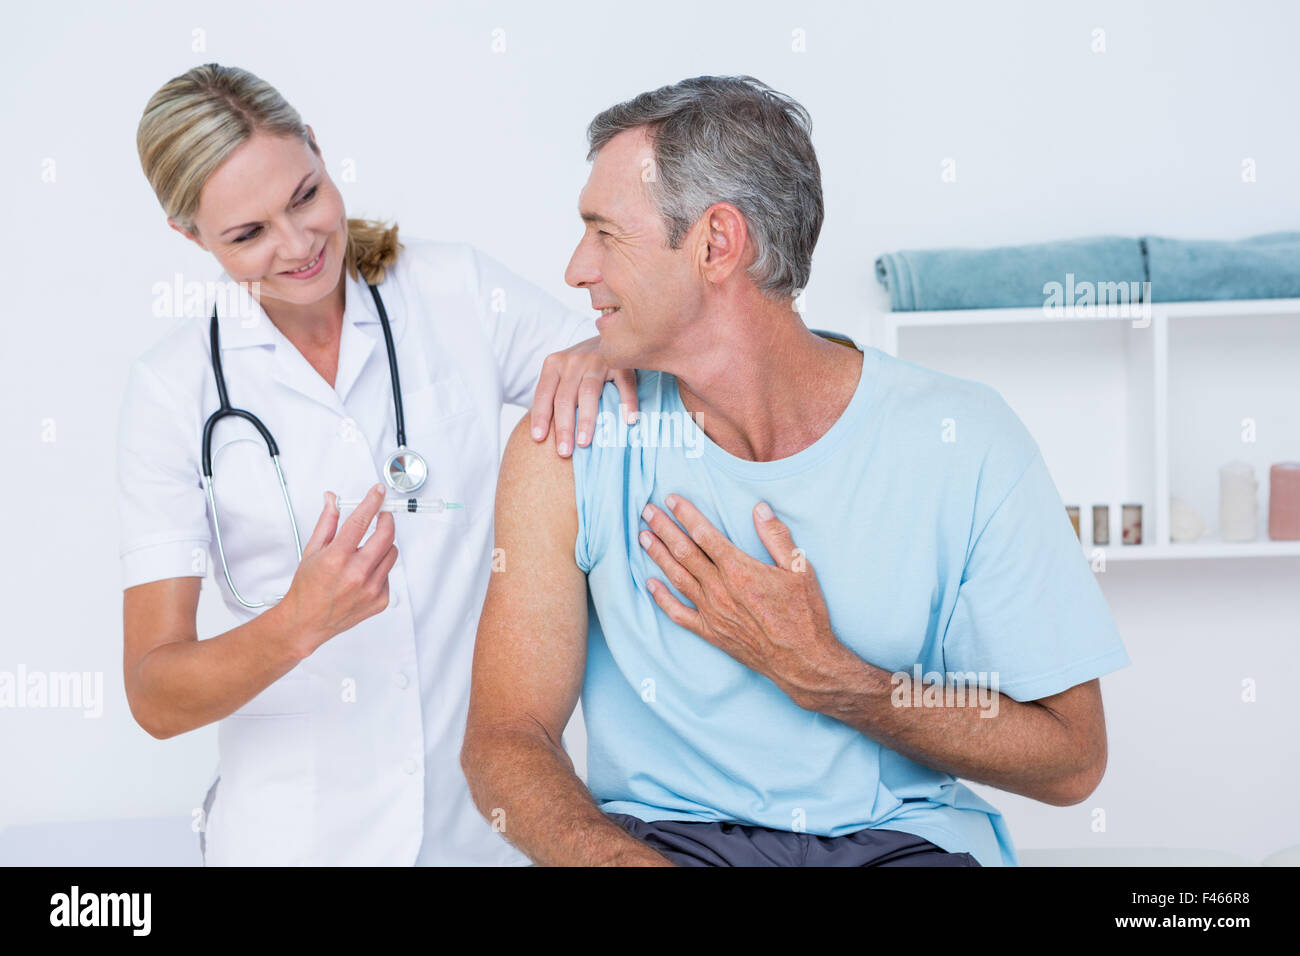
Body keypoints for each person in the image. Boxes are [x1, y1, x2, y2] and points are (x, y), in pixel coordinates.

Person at [461, 76, 1131, 867]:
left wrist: (830, 677)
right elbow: (506, 740)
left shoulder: (965, 441)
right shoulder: (569, 439)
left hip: (900, 846)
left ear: (717, 243)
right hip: (664, 844)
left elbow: (1073, 760)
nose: (577, 270)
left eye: (605, 233)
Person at [121, 63, 637, 865]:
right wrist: (298, 624)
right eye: (248, 235)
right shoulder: (172, 390)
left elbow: (626, 364)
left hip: (485, 831)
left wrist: (602, 352)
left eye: (304, 196)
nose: (297, 246)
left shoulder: (453, 289)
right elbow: (155, 694)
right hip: (297, 839)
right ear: (190, 236)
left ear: (321, 154)